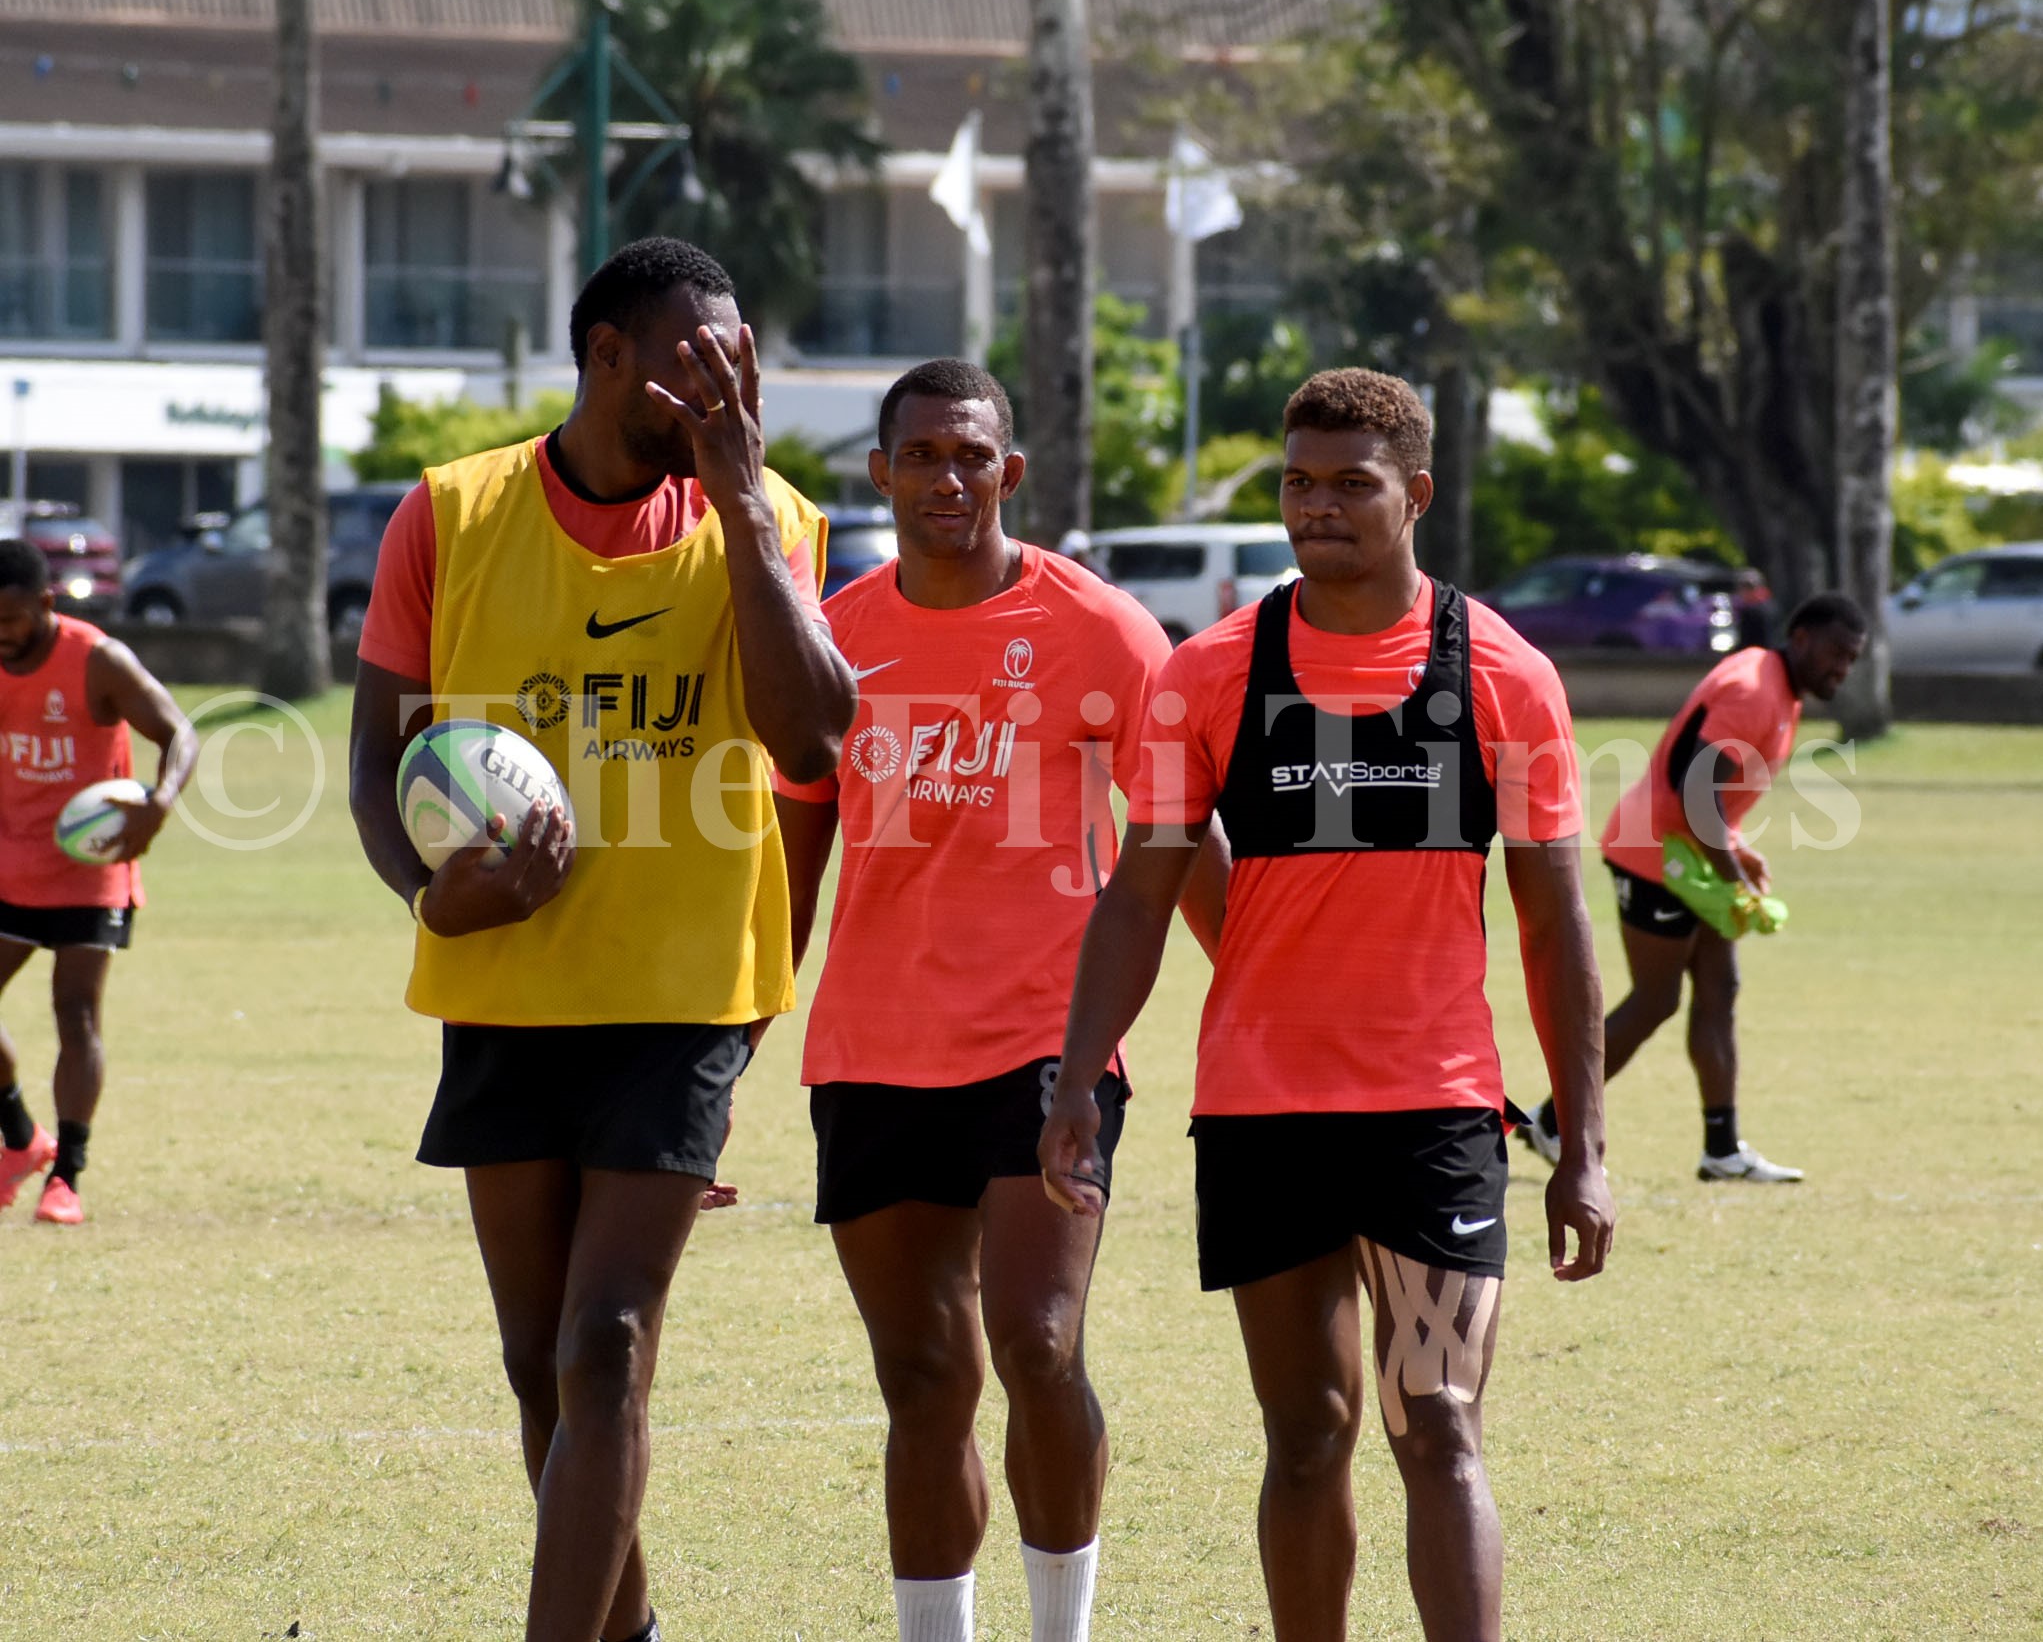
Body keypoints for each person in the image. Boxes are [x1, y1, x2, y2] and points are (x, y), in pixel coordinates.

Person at [1038, 368, 1614, 1642]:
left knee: (1439, 1425)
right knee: (1306, 1436)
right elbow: (1137, 899)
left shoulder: (1504, 672)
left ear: (1417, 494)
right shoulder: (1211, 672)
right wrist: (1075, 1078)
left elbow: (1556, 922)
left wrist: (1585, 1145)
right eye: (1300, 482)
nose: (1318, 506)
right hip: (1263, 1113)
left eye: (1353, 483)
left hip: (1433, 1110)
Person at [348, 236, 855, 1642]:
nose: (724, 390)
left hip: (683, 996)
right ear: (607, 355)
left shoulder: (772, 515)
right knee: (541, 1367)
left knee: (609, 1340)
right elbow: (377, 763)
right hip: (502, 986)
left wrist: (740, 499)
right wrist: (427, 893)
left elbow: (812, 737)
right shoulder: (450, 513)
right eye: (696, 362)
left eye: (739, 364)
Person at [774, 359, 1224, 1642]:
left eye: (972, 455)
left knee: (1038, 1342)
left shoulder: (1103, 629)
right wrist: (730, 1040)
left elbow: (1183, 835)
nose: (947, 478)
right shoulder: (834, 637)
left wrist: (1265, 998)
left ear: (1009, 471)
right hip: (871, 1051)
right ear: (881, 473)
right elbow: (794, 858)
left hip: (1048, 1047)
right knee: (923, 1379)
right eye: (921, 456)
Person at [1518, 591, 1868, 1184]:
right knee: (1655, 999)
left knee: (1719, 989)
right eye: (1837, 652)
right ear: (1801, 638)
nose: (1843, 668)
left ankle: (1722, 1150)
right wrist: (1736, 880)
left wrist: (1735, 849)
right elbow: (1694, 792)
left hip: (1689, 852)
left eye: (1853, 658)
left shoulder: (1778, 687)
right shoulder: (1754, 690)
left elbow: (1707, 796)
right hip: (1654, 854)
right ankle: (1552, 1121)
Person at [0, 539, 195, 1225]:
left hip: (92, 867)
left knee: (75, 1011)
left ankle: (67, 1176)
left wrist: (160, 802)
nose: (2, 635)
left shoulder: (97, 660)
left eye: (12, 619)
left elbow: (179, 733)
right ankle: (21, 1138)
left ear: (46, 603)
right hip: (10, 861)